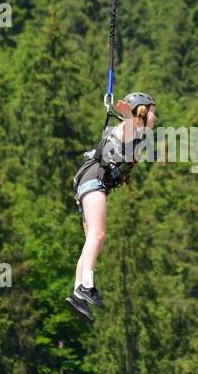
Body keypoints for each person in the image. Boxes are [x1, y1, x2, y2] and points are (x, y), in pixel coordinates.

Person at [67, 91, 157, 322]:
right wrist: (128, 114)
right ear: (144, 111)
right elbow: (130, 129)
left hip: (93, 180)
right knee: (97, 234)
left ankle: (78, 291)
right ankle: (86, 285)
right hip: (94, 178)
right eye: (153, 111)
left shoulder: (138, 134)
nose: (156, 116)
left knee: (94, 241)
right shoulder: (128, 129)